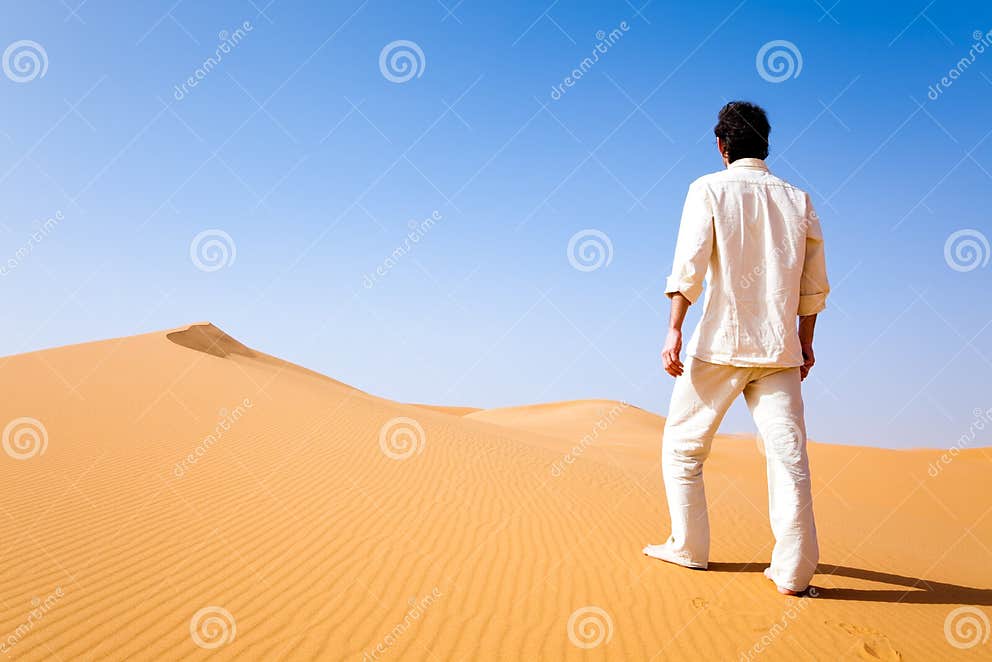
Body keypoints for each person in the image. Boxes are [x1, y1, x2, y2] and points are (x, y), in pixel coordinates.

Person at [643, 101, 829, 596]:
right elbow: (813, 283)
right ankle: (794, 572)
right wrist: (806, 341)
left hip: (719, 345)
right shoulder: (798, 199)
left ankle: (689, 546)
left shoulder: (707, 188)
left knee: (683, 447)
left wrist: (673, 329)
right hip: (779, 350)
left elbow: (689, 266)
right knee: (789, 457)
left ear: (721, 146)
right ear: (765, 145)